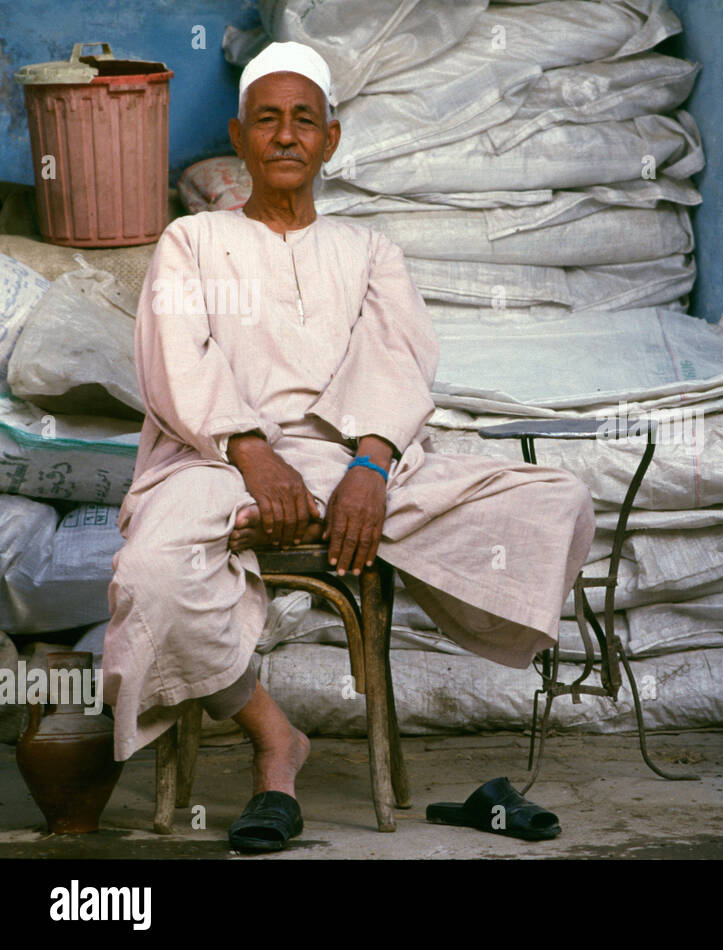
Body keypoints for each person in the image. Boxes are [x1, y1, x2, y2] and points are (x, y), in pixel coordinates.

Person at [102, 42, 596, 851]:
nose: (287, 136)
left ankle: (312, 526)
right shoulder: (192, 242)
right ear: (240, 136)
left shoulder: (370, 251)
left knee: (553, 499)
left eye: (305, 120)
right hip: (216, 460)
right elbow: (177, 365)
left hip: (351, 468)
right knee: (152, 573)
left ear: (332, 140)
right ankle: (275, 741)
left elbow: (397, 363)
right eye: (268, 119)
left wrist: (369, 470)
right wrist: (258, 463)